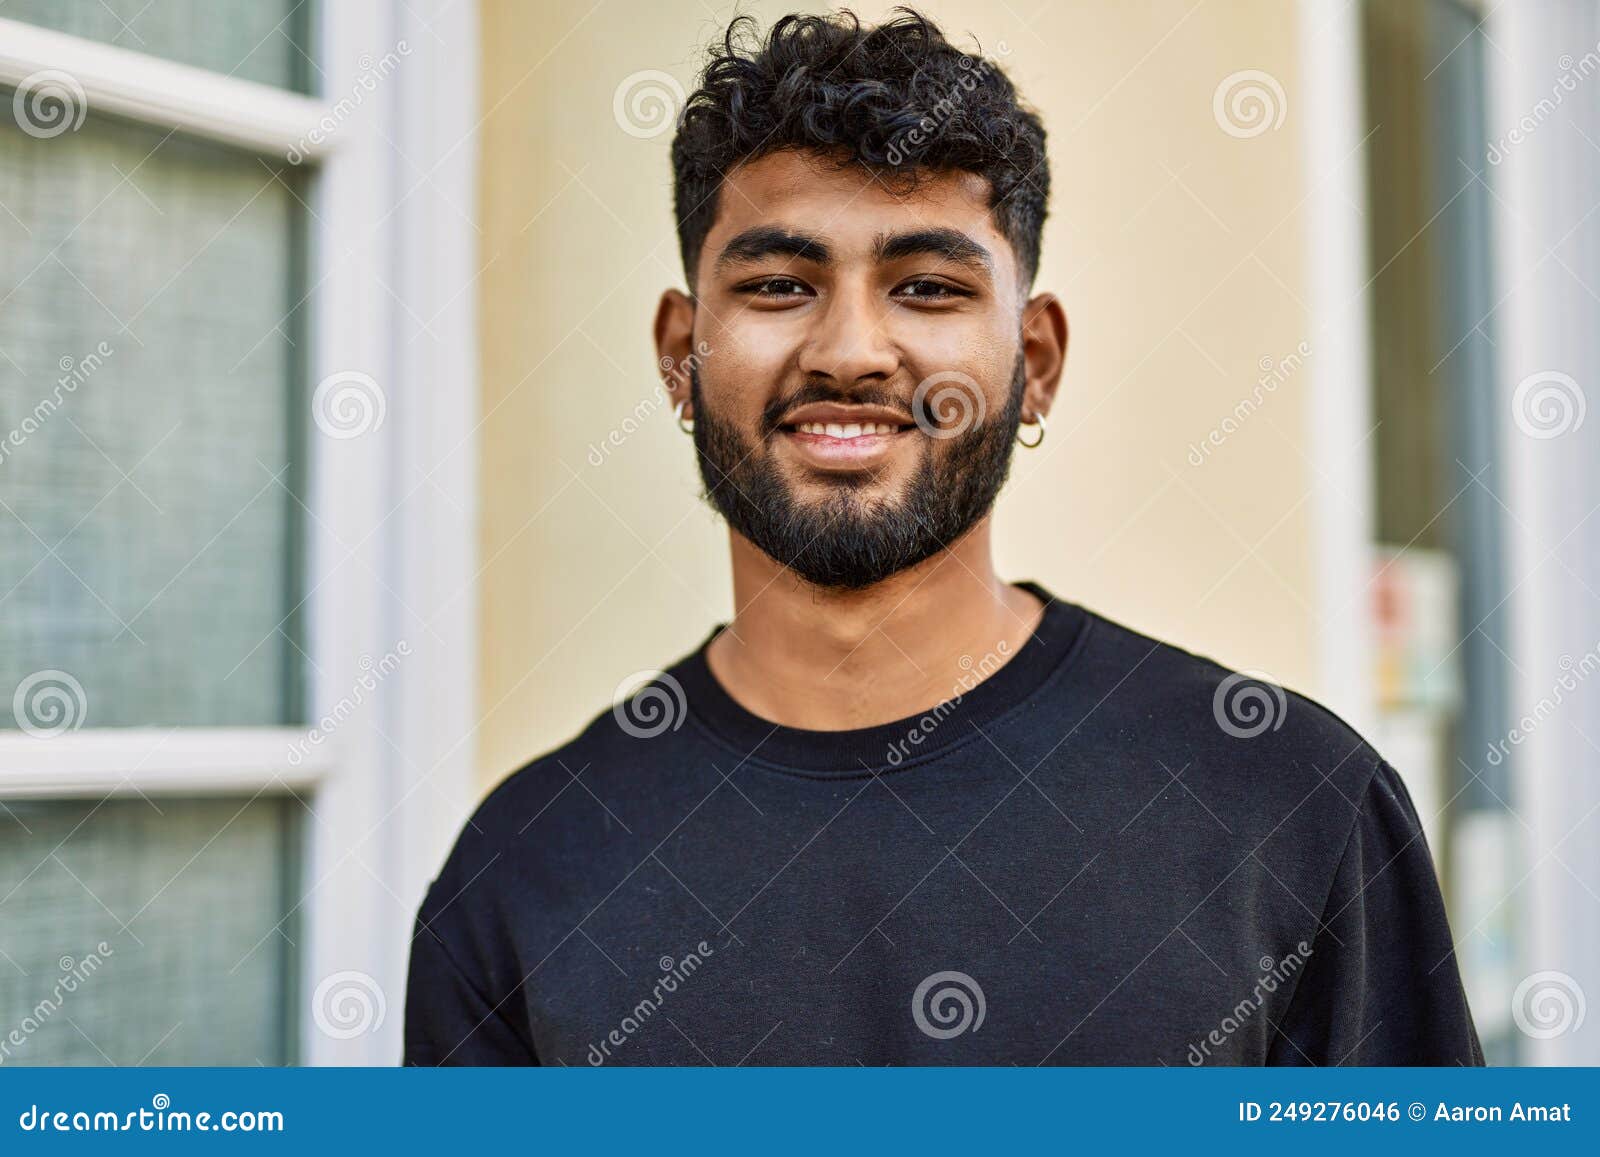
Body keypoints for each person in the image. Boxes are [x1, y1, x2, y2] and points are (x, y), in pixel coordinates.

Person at [403, 7, 1483, 1066]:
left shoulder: (1287, 802)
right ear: (681, 354)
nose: (853, 351)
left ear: (1037, 361)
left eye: (927, 286)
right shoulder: (526, 869)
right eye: (780, 285)